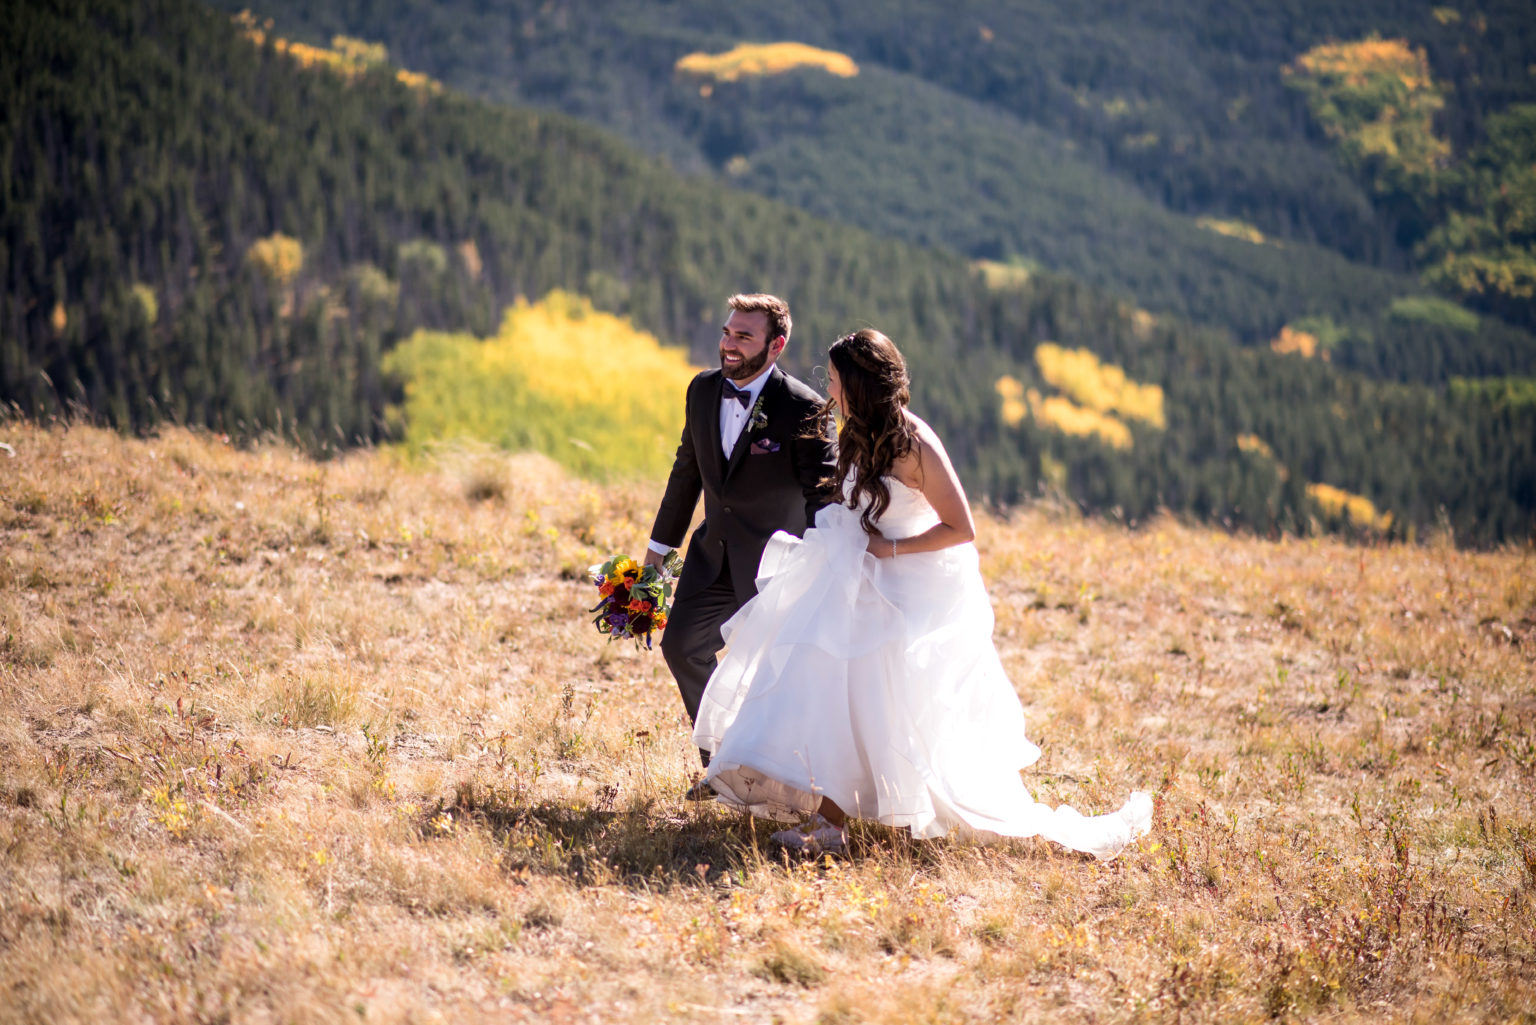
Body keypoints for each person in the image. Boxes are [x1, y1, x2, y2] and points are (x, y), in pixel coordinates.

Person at [691, 329, 1153, 858]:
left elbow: (961, 527)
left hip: (908, 587)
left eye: (836, 381)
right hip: (853, 578)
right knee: (823, 685)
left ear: (859, 385)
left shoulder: (914, 443)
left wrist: (885, 553)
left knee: (876, 701)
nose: (830, 390)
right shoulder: (855, 432)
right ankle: (817, 812)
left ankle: (834, 823)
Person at [646, 294, 838, 799]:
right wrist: (657, 552)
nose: (729, 344)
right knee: (681, 646)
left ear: (775, 346)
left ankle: (787, 780)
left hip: (778, 569)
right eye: (728, 332)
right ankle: (722, 767)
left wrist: (826, 566)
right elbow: (686, 473)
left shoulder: (805, 408)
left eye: (743, 336)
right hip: (712, 557)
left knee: (775, 681)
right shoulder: (703, 390)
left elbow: (823, 494)